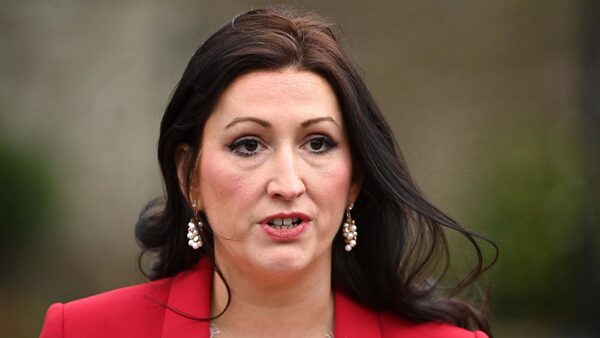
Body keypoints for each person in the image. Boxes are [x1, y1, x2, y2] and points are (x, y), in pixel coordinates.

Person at [40, 7, 496, 338]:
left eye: (318, 143)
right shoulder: (80, 330)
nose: (288, 184)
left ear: (355, 177)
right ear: (189, 177)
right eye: (248, 144)